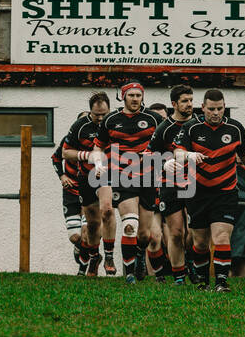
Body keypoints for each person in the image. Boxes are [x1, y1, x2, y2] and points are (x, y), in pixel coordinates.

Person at [173, 90, 245, 293]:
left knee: (222, 236)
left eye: (220, 109)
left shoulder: (235, 128)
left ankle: (221, 282)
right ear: (203, 107)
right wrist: (189, 154)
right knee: (200, 241)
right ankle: (203, 281)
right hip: (197, 191)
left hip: (225, 191)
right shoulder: (191, 128)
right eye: (212, 109)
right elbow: (177, 153)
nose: (216, 113)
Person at [89, 83, 164, 283]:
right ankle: (129, 272)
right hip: (123, 176)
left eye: (138, 95)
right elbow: (98, 148)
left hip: (148, 178)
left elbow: (168, 143)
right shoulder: (111, 120)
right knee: (130, 223)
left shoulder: (154, 119)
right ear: (123, 97)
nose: (135, 98)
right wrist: (97, 163)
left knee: (144, 234)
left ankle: (140, 254)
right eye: (131, 95)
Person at [60, 92, 111, 276]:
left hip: (104, 179)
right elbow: (60, 155)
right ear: (90, 111)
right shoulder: (79, 128)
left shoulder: (113, 123)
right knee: (77, 235)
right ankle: (88, 254)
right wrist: (62, 175)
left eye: (103, 114)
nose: (100, 118)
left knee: (98, 219)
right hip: (78, 184)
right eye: (96, 114)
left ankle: (91, 262)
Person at [149, 84, 195, 285]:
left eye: (191, 100)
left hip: (196, 184)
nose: (189, 104)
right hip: (170, 185)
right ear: (174, 104)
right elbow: (148, 155)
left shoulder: (198, 125)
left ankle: (193, 262)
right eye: (185, 101)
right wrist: (164, 162)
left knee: (193, 234)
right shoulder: (164, 127)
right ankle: (179, 277)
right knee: (176, 233)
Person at [52, 109, 91, 272]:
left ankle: (83, 269)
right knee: (75, 236)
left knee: (87, 233)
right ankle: (79, 250)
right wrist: (62, 176)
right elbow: (55, 158)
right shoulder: (67, 142)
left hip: (89, 191)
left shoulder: (96, 142)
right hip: (71, 191)